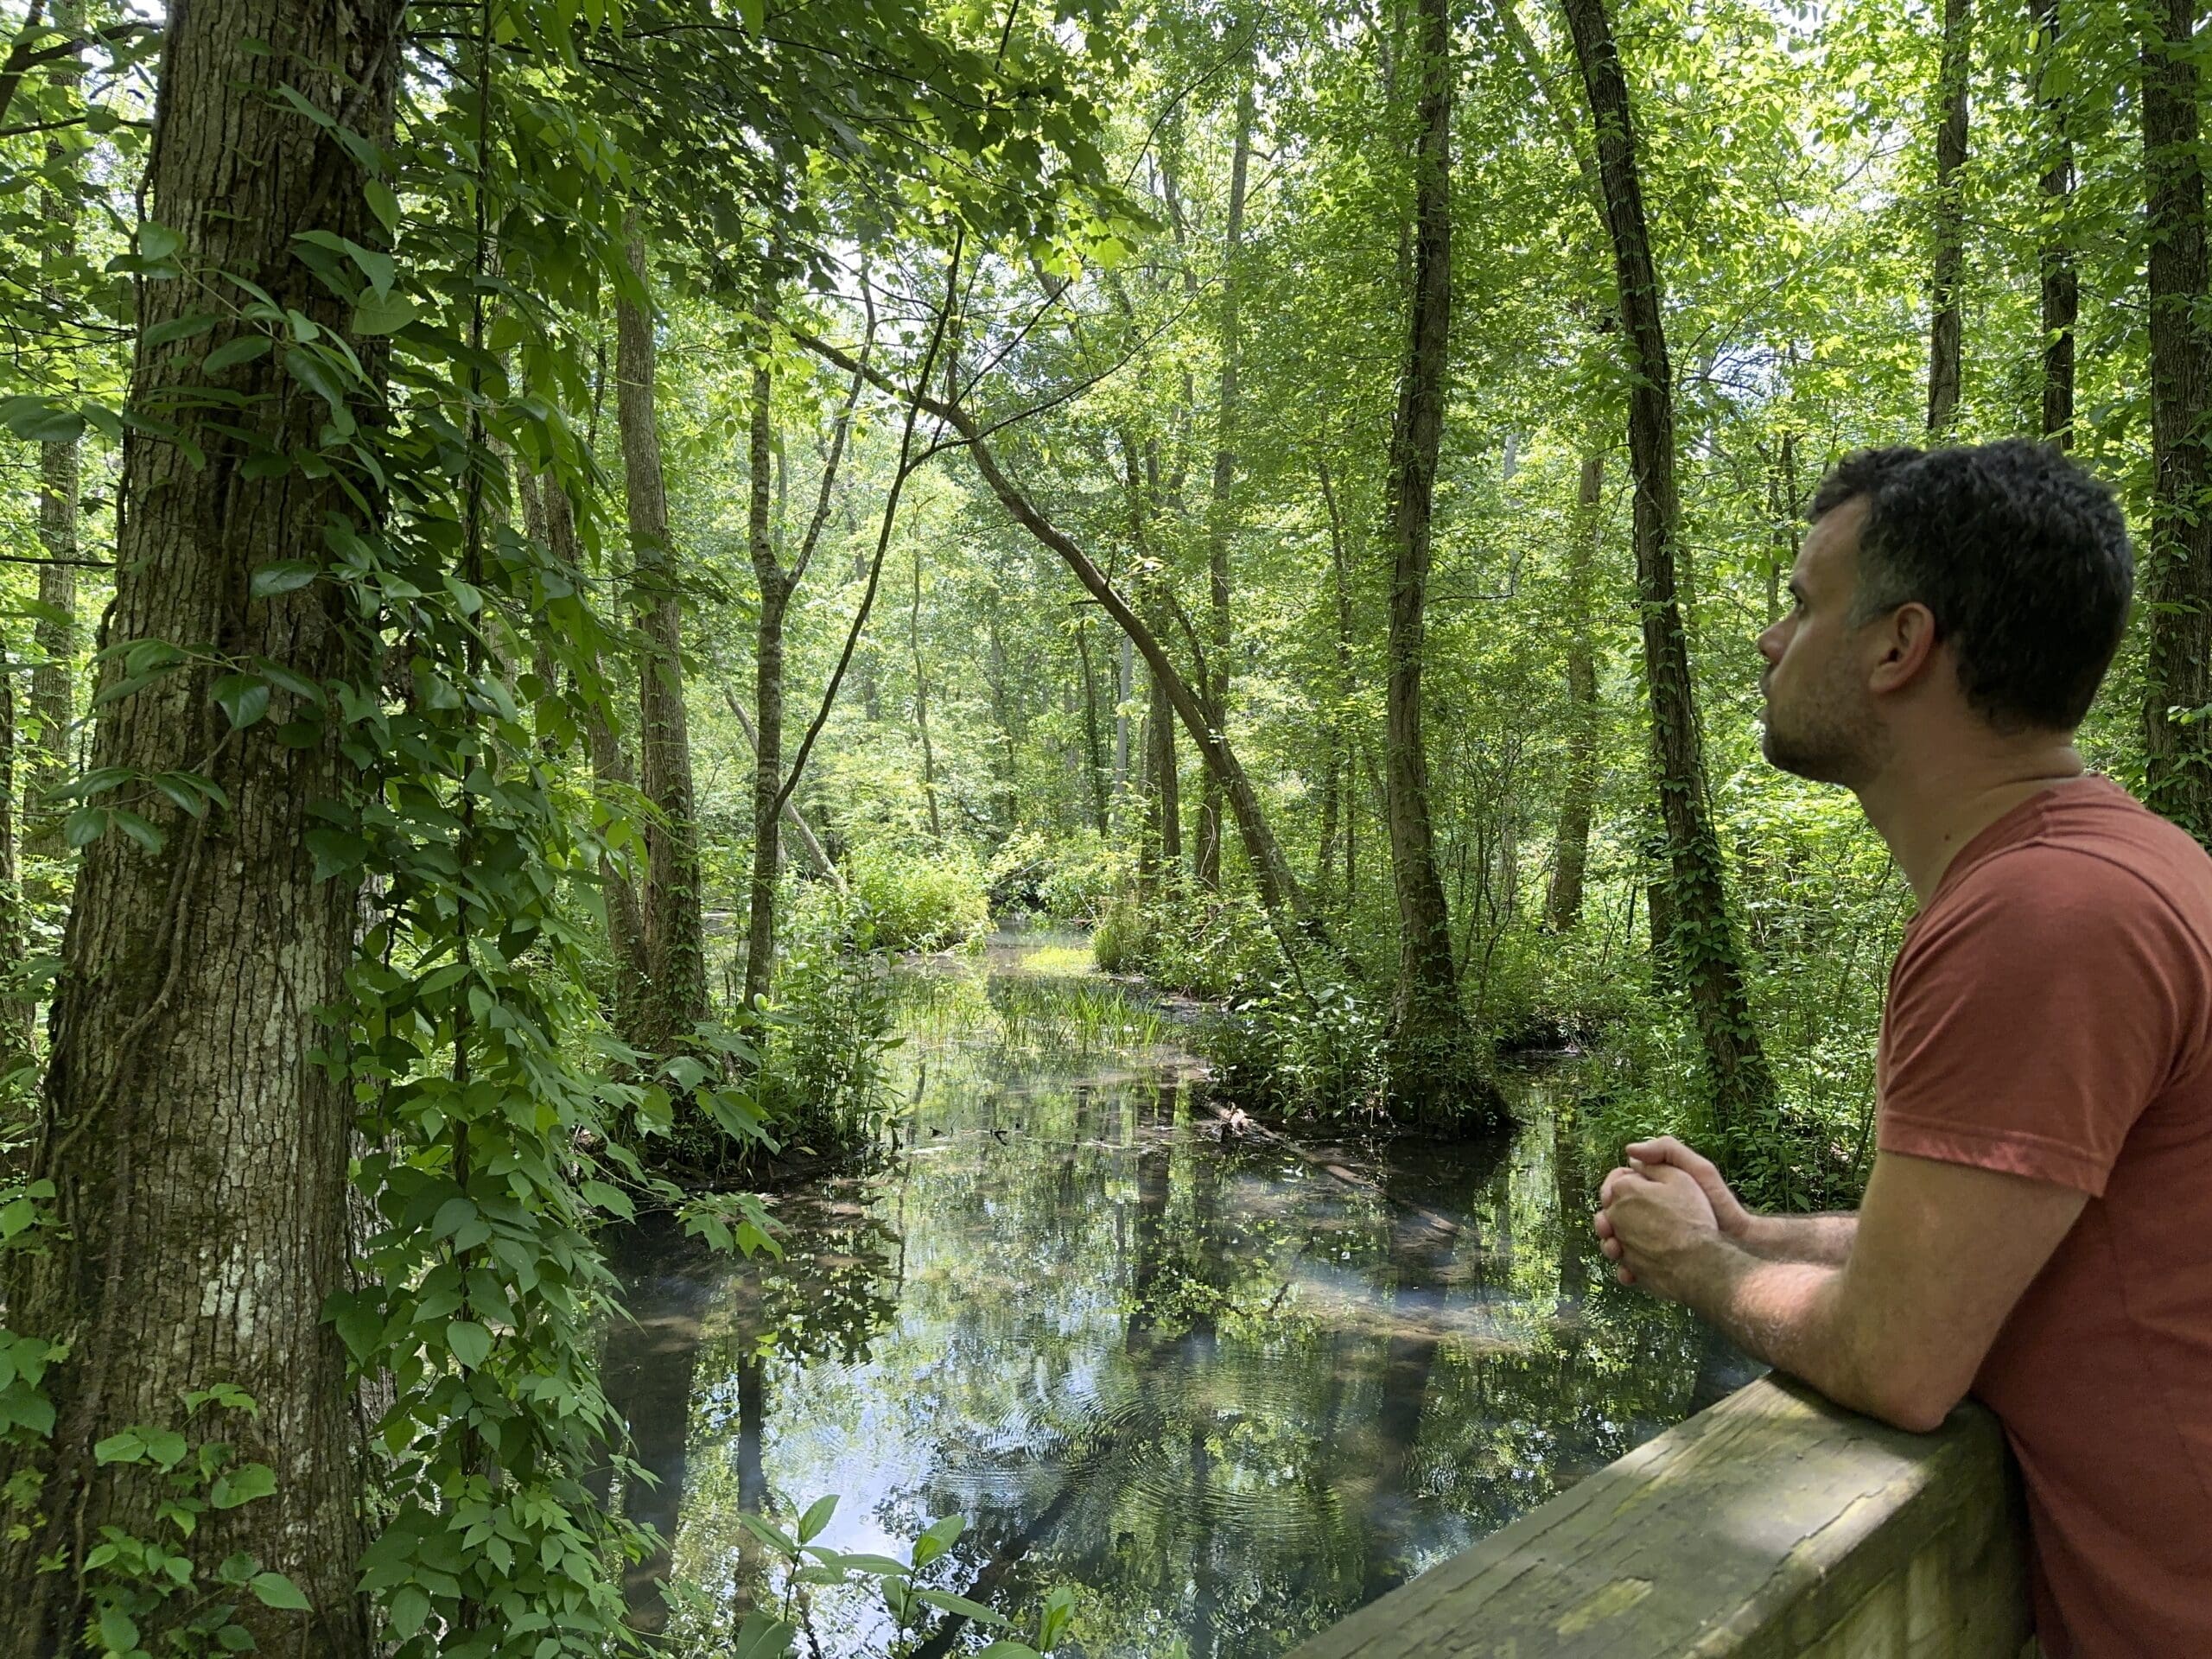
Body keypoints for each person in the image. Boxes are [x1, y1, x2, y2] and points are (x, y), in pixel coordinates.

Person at [1591, 441, 2211, 1657]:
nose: (1771, 638)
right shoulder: (2135, 864)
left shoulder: (2041, 914)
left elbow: (1899, 1359)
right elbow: (2020, 1250)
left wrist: (1696, 1265)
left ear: (1898, 646)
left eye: (1802, 602)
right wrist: (1754, 1232)